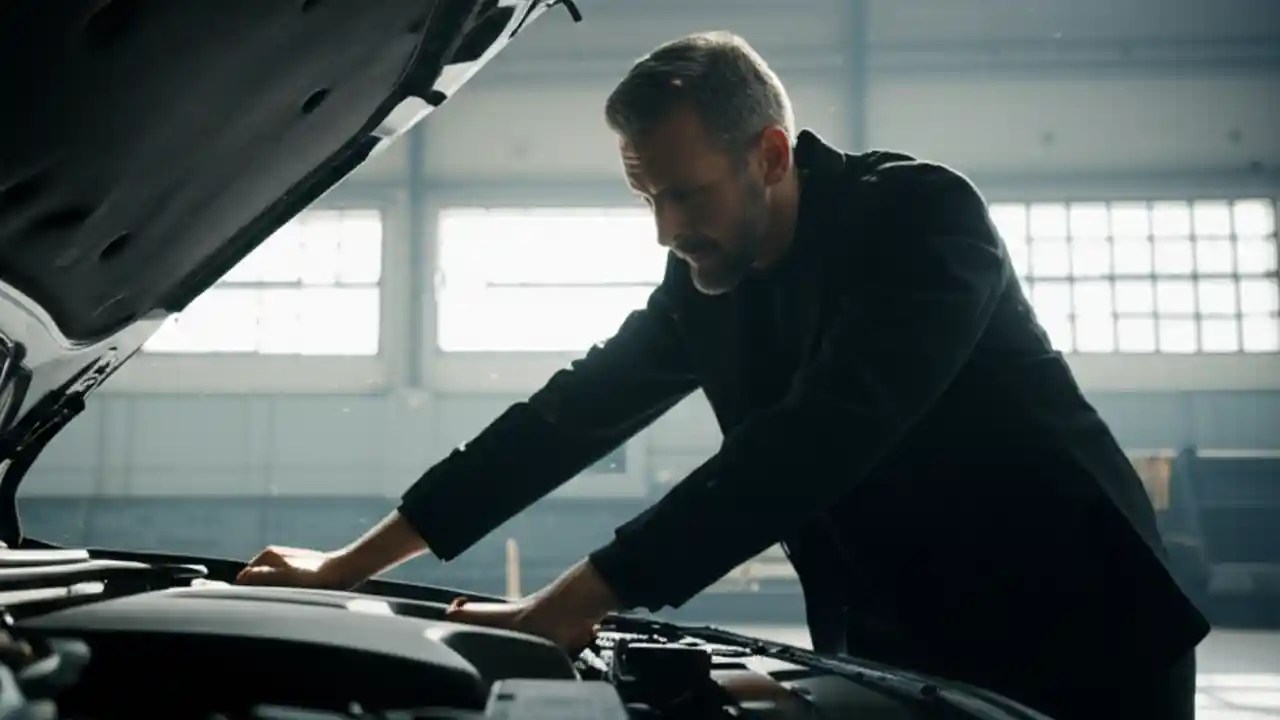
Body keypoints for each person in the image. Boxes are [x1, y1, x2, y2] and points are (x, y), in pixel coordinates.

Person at [238, 32, 1208, 719]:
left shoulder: (919, 221)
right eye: (645, 196)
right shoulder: (707, 276)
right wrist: (346, 566)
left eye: (684, 194)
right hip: (892, 637)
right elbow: (569, 414)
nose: (665, 228)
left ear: (770, 154)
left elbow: (816, 437)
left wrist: (569, 604)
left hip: (1080, 636)